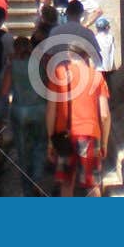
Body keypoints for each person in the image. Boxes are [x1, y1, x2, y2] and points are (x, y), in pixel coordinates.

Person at [46, 44, 110, 196]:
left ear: (68, 55)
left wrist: (50, 140)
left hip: (64, 136)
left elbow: (51, 111)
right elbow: (105, 114)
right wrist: (104, 143)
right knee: (92, 186)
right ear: (86, 56)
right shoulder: (97, 76)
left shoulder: (58, 75)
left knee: (67, 184)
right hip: (90, 134)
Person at [9, 33, 50, 196]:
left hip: (20, 111)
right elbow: (48, 88)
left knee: (22, 149)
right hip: (40, 110)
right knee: (40, 145)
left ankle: (26, 187)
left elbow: (4, 90)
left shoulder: (12, 66)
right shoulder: (40, 66)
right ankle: (37, 179)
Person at [49, 0, 101, 65]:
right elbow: (98, 60)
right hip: (82, 72)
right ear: (81, 13)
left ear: (67, 12)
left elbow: (48, 56)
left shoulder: (55, 31)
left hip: (60, 72)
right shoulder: (87, 33)